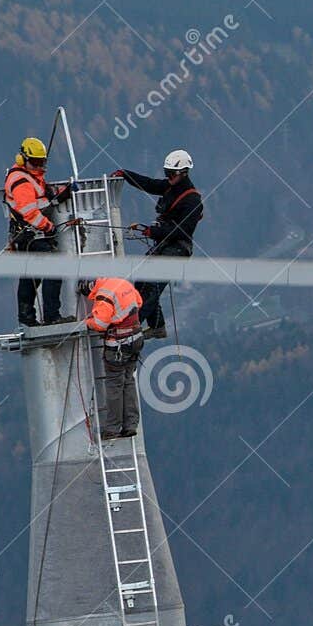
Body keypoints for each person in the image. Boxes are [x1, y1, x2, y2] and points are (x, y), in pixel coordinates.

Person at [114, 150, 204, 336]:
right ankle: (157, 326)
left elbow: (183, 229)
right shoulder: (170, 187)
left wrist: (153, 231)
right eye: (166, 173)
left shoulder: (192, 200)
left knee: (151, 288)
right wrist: (126, 174)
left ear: (184, 173)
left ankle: (132, 327)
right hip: (165, 246)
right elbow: (148, 184)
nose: (168, 177)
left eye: (172, 174)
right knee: (141, 282)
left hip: (178, 250)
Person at [4, 137, 74, 325]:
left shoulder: (30, 177)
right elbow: (29, 212)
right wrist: (48, 226)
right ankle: (51, 316)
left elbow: (44, 198)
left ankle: (27, 317)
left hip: (28, 236)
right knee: (52, 269)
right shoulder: (21, 181)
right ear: (23, 159)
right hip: (30, 235)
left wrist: (63, 192)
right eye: (35, 162)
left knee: (31, 276)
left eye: (42, 162)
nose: (39, 165)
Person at [80, 276, 145, 440]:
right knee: (128, 381)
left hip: (118, 345)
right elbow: (138, 302)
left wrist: (87, 322)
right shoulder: (121, 283)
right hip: (136, 338)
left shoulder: (103, 296)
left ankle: (113, 428)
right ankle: (130, 424)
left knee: (114, 386)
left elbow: (101, 324)